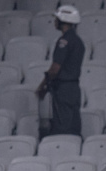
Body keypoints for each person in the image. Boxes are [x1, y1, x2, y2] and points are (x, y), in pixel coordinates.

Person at [36, 4, 85, 137]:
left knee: (63, 127)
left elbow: (55, 69)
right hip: (74, 88)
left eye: (57, 19)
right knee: (73, 125)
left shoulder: (64, 41)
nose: (55, 21)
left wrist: (42, 87)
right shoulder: (78, 41)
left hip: (63, 89)